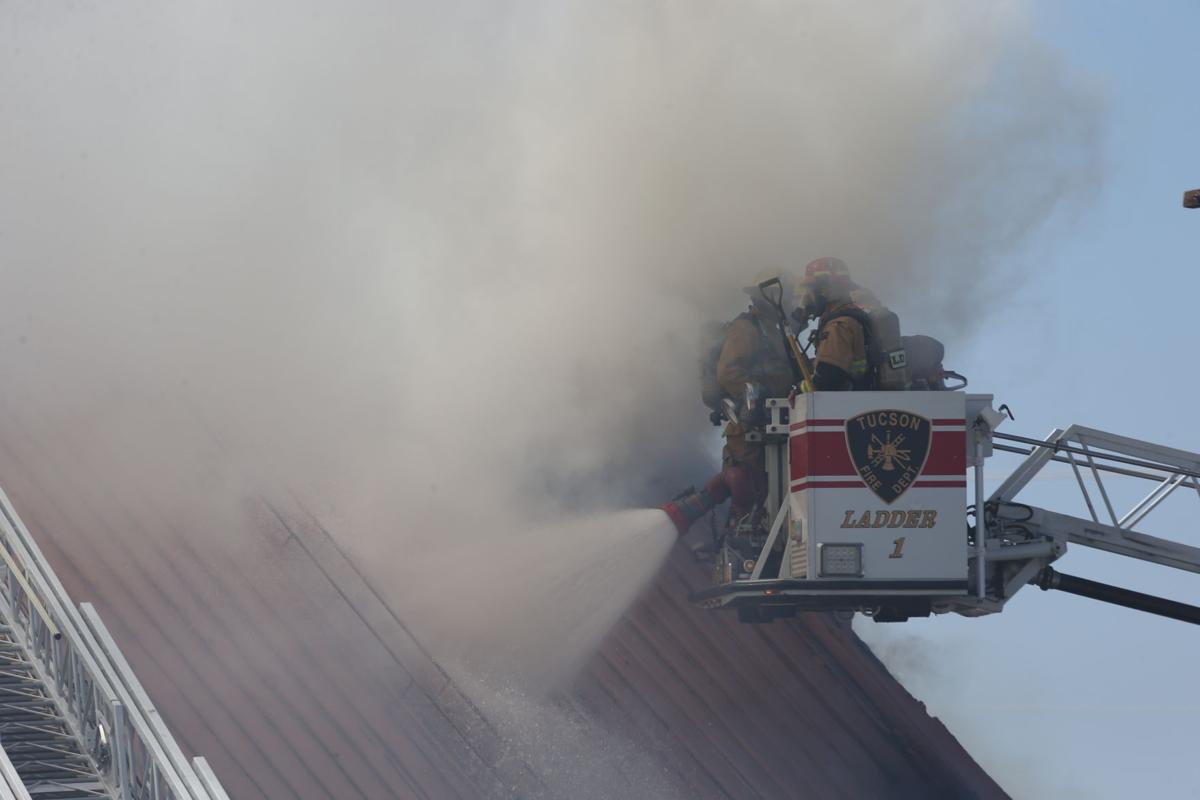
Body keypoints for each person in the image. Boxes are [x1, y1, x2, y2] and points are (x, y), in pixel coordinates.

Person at [712, 271, 797, 522]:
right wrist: (757, 398)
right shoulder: (746, 328)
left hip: (775, 429)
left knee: (777, 499)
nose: (789, 299)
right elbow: (728, 371)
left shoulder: (775, 329)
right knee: (752, 499)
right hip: (749, 432)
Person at [794, 257, 873, 391]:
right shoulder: (854, 316)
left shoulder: (839, 326)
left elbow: (828, 378)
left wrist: (799, 388)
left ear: (825, 291)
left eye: (811, 290)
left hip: (841, 407)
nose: (808, 297)